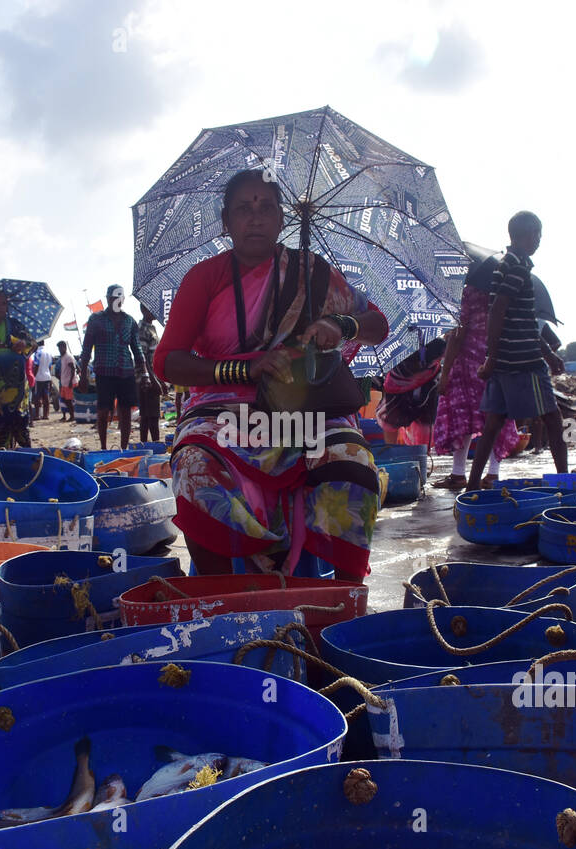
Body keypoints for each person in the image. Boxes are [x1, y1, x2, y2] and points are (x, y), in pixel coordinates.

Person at [153, 169, 389, 582]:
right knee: (194, 464)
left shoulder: (313, 273)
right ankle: (222, 596)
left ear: (283, 220)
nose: (255, 218)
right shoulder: (203, 278)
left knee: (353, 463)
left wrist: (339, 325)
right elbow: (168, 361)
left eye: (266, 208)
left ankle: (340, 598)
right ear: (226, 222)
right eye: (243, 209)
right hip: (223, 409)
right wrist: (244, 368)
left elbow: (377, 325)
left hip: (304, 409)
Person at [465, 212, 568, 491]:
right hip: (522, 361)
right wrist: (492, 356)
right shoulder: (519, 267)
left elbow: (521, 319)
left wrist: (547, 352)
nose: (539, 241)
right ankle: (565, 483)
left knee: (493, 424)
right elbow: (498, 310)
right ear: (529, 234)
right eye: (538, 235)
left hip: (504, 361)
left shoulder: (505, 265)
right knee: (553, 420)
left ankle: (472, 486)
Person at [431, 255, 495, 490]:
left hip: (468, 362)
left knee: (463, 417)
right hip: (492, 358)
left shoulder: (468, 294)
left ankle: (458, 473)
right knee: (494, 417)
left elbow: (457, 335)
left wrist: (445, 372)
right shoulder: (496, 295)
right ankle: (493, 474)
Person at [80, 284, 146, 450]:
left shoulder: (130, 321)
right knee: (103, 411)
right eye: (113, 297)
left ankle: (123, 447)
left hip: (126, 371)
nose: (116, 300)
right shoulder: (95, 319)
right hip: (104, 371)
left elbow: (137, 348)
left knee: (126, 412)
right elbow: (86, 348)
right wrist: (82, 375)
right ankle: (103, 447)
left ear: (122, 299)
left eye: (119, 297)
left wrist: (144, 373)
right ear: (108, 298)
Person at [0, 289, 34, 449]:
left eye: (4, 303)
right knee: (0, 430)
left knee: (22, 429)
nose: (0, 307)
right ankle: (4, 463)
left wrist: (24, 344)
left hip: (18, 389)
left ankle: (29, 463)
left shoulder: (16, 326)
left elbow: (33, 343)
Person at [377, 337, 446, 447]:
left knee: (425, 424)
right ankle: (391, 452)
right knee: (391, 418)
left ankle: (422, 454)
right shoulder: (397, 340)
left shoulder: (437, 344)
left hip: (428, 381)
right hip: (399, 379)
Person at [137, 307, 165, 443]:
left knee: (149, 416)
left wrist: (160, 380)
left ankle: (149, 446)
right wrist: (154, 380)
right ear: (143, 309)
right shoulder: (142, 329)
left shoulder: (152, 328)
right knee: (150, 417)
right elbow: (142, 357)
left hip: (153, 377)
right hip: (146, 380)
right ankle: (154, 446)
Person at [31, 340, 55, 421]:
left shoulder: (37, 353)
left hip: (39, 377)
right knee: (46, 396)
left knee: (37, 397)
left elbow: (36, 366)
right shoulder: (49, 353)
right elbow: (49, 366)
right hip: (47, 376)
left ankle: (37, 415)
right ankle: (46, 414)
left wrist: (33, 376)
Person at [57, 341, 77, 421]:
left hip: (69, 382)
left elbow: (73, 369)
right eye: (59, 348)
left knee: (69, 400)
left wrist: (70, 382)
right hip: (64, 382)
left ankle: (72, 416)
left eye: (60, 348)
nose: (59, 350)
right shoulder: (63, 357)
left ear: (64, 347)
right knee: (65, 400)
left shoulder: (68, 357)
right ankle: (71, 415)